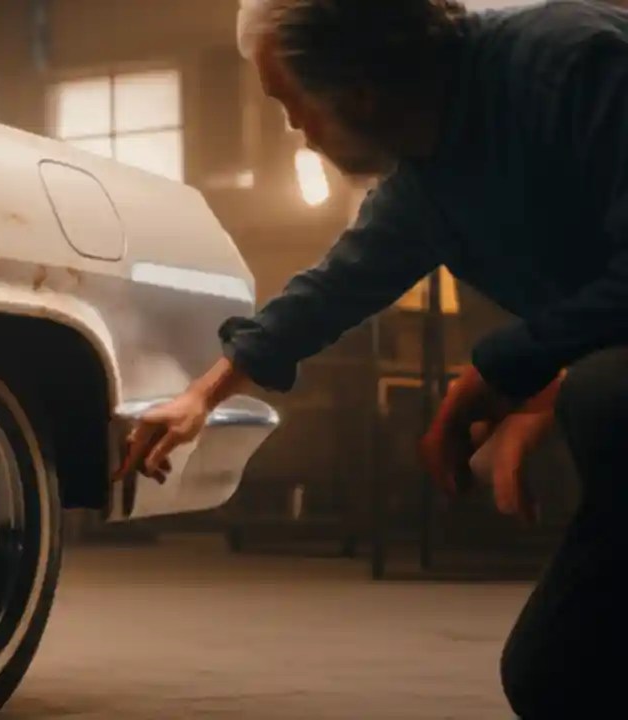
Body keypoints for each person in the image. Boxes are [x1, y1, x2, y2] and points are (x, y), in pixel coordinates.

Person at [122, 0, 628, 716]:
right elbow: (333, 287)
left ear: (355, 86)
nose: (294, 128)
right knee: (553, 675)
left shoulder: (574, 63)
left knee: (605, 399)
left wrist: (505, 369)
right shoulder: (428, 177)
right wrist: (202, 394)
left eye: (289, 102)